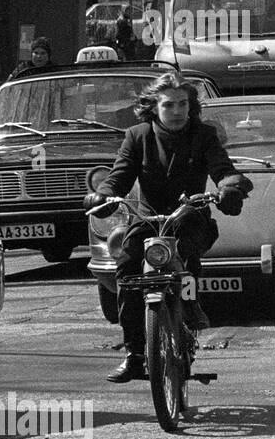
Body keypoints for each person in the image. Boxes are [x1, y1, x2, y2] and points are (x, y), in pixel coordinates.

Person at [83, 72, 253, 384]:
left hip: (190, 217)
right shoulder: (137, 135)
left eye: (182, 105)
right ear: (154, 107)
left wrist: (229, 189)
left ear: (191, 107)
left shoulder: (204, 135)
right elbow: (118, 176)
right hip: (147, 221)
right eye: (168, 105)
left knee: (185, 258)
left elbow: (223, 169)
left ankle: (190, 309)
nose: (176, 111)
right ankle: (135, 352)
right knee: (126, 267)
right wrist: (104, 195)